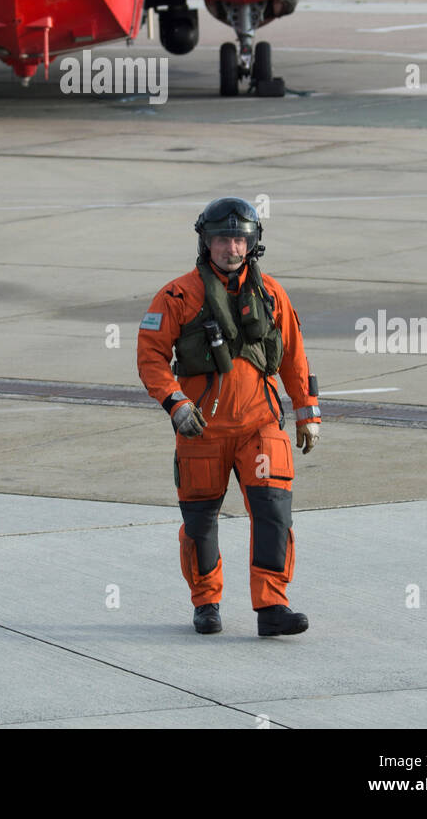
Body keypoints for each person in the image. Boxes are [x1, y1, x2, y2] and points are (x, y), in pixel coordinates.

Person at [137, 197, 321, 636]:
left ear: (252, 243)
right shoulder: (176, 296)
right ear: (206, 242)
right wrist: (176, 405)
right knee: (200, 523)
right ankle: (206, 603)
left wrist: (307, 413)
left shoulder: (272, 293)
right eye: (223, 239)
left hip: (261, 423)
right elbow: (151, 357)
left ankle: (272, 605)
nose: (231, 248)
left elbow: (294, 355)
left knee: (274, 513)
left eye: (239, 239)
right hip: (201, 429)